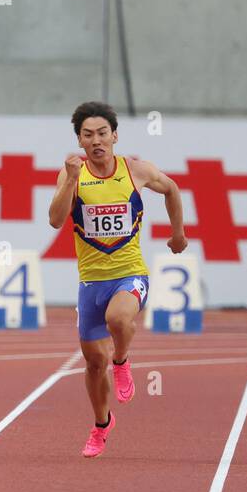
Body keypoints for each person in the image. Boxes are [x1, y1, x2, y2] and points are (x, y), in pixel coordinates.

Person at [48, 101, 187, 457]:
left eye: (102, 133)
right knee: (94, 365)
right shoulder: (72, 174)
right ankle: (101, 424)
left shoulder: (135, 170)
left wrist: (177, 234)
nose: (96, 140)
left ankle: (122, 360)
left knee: (118, 319)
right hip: (90, 283)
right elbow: (55, 219)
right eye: (87, 134)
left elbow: (171, 189)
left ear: (115, 136)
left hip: (129, 273)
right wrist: (71, 182)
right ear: (79, 140)